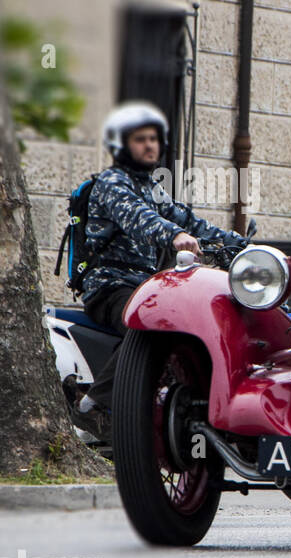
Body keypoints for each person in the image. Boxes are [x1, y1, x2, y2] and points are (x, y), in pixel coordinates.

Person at [73, 102, 246, 440]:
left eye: (154, 138)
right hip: (111, 286)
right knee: (152, 324)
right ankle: (93, 406)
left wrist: (242, 246)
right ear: (122, 145)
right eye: (140, 139)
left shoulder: (151, 187)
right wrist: (174, 236)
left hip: (144, 286)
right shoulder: (112, 183)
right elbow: (140, 219)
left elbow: (188, 219)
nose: (150, 145)